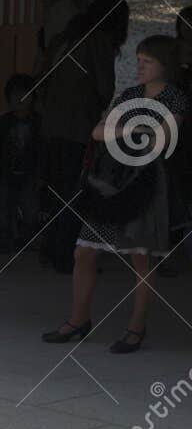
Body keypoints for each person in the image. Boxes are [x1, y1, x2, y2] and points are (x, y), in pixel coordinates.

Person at [42, 35, 187, 354]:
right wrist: (131, 130)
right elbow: (97, 131)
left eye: (146, 61)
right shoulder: (129, 94)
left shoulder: (175, 98)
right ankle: (78, 319)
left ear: (164, 64)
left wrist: (123, 131)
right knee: (85, 250)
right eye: (138, 60)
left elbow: (161, 141)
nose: (140, 67)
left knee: (140, 257)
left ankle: (136, 327)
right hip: (110, 181)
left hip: (145, 182)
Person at [34, 0, 127, 274]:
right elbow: (104, 88)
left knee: (57, 189)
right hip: (78, 127)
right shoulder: (99, 42)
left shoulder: (66, 38)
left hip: (51, 124)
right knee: (75, 192)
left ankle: (52, 249)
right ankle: (67, 255)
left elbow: (41, 79)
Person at [0, 73, 42, 254]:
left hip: (29, 172)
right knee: (4, 208)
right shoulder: (4, 123)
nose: (20, 100)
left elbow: (41, 148)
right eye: (15, 96)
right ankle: (4, 239)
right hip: (6, 172)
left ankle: (27, 238)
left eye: (25, 96)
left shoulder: (37, 122)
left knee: (30, 208)